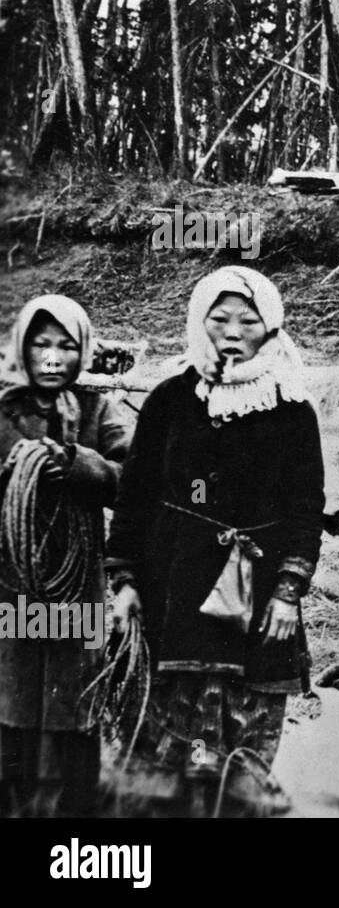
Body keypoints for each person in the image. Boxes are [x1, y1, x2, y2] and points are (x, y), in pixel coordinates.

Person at [105, 267, 324, 817]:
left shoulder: (292, 409)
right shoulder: (169, 401)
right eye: (219, 318)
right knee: (162, 753)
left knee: (244, 756)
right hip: (172, 588)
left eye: (248, 320)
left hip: (259, 597)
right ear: (198, 322)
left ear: (270, 328)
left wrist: (288, 591)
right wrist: (125, 580)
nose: (233, 331)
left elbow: (305, 508)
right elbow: (135, 498)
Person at [0, 296, 131, 816]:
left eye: (66, 345)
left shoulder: (98, 408)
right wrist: (18, 470)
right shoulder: (3, 410)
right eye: (40, 344)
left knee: (77, 698)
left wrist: (81, 465)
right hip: (11, 580)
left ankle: (77, 820)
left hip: (78, 585)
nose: (52, 357)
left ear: (84, 352)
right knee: (12, 697)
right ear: (22, 349)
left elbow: (134, 480)